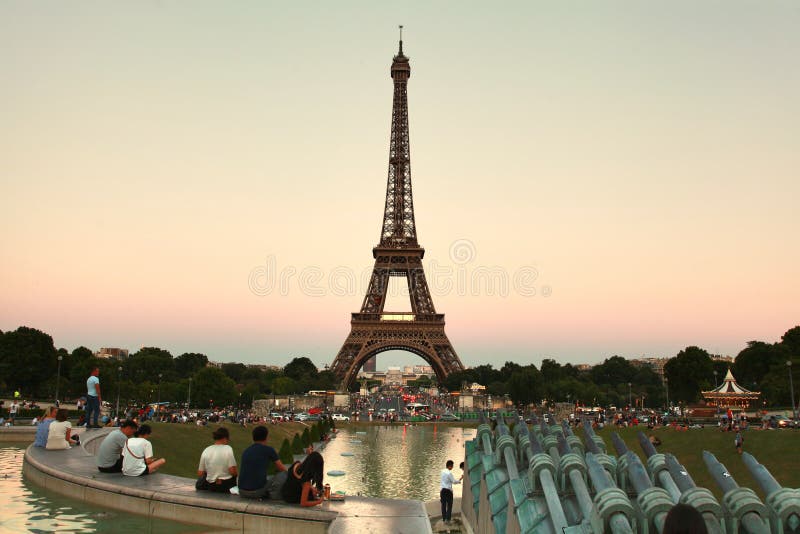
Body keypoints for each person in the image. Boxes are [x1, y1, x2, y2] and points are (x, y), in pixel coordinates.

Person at [238, 425, 288, 499]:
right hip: (256, 492)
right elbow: (282, 469)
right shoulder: (269, 450)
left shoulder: (246, 451)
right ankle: (275, 496)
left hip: (242, 491)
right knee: (282, 475)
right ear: (266, 437)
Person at [196, 427, 238, 492]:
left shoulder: (206, 450)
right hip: (226, 485)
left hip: (211, 486)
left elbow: (200, 473)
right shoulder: (228, 448)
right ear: (225, 438)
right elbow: (232, 471)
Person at [440, 459, 461, 524]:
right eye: (452, 466)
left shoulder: (442, 471)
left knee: (443, 505)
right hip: (448, 491)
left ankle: (444, 519)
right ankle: (448, 520)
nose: (452, 467)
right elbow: (454, 481)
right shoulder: (449, 473)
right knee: (449, 505)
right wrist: (460, 480)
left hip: (442, 490)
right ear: (450, 466)